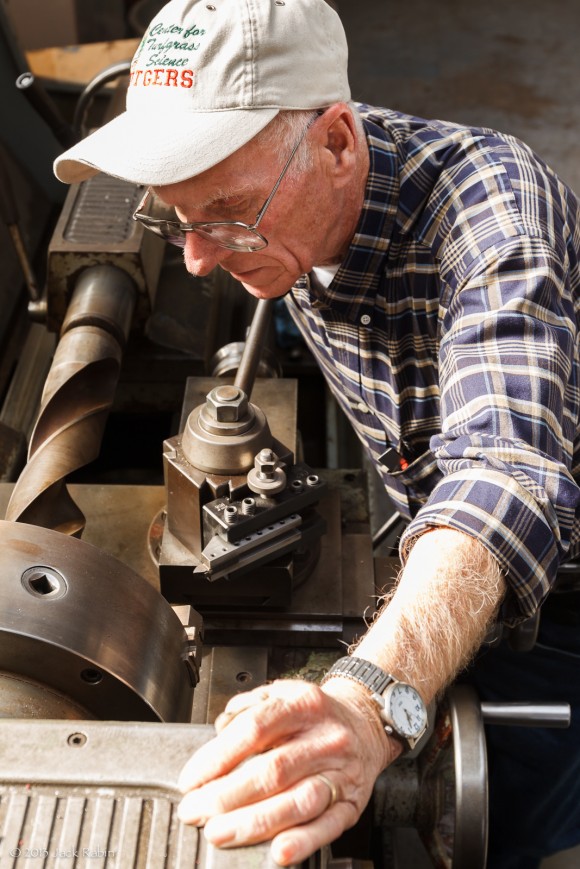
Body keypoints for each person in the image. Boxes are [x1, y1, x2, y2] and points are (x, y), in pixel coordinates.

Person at [54, 1, 580, 866]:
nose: (197, 257)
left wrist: (373, 699)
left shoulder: (497, 219)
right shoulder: (286, 209)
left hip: (553, 599)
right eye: (174, 217)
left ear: (338, 140)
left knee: (515, 820)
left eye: (221, 213)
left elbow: (504, 476)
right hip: (429, 534)